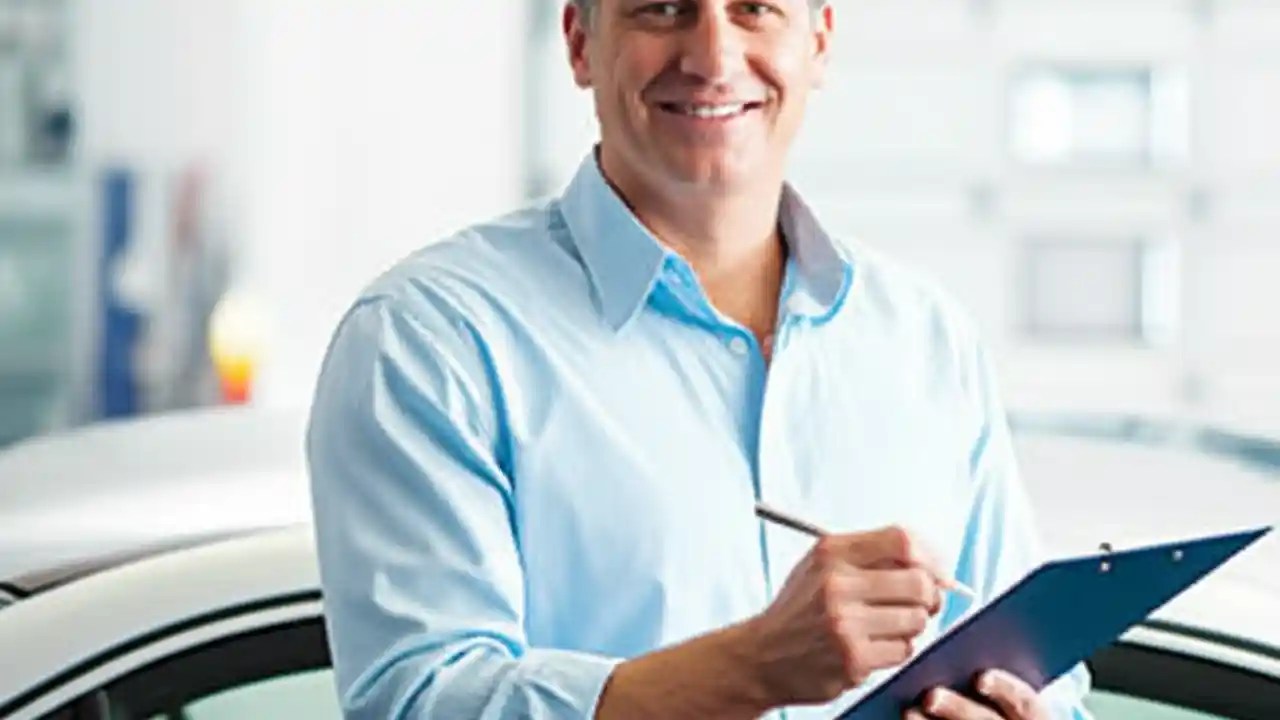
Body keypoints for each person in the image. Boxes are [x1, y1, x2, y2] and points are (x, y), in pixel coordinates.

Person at [306, 1, 1094, 718]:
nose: (714, 56)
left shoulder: (928, 342)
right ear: (581, 43)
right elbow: (421, 704)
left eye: (755, 9)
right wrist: (758, 666)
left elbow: (1039, 674)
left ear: (818, 40)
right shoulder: (429, 343)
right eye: (662, 9)